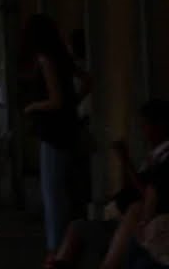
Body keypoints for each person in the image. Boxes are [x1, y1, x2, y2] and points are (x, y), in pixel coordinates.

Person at [49, 99, 169, 269]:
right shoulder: (154, 155)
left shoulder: (164, 159)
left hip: (138, 222)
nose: (143, 131)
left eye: (145, 125)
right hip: (122, 217)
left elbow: (150, 193)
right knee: (76, 227)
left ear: (161, 125)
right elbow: (134, 186)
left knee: (133, 212)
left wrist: (126, 162)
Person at [22, 14, 89, 261]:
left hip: (52, 132)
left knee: (53, 191)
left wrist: (33, 107)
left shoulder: (44, 60)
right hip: (67, 128)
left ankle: (55, 248)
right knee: (65, 189)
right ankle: (65, 245)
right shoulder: (62, 58)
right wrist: (75, 103)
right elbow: (87, 81)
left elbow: (55, 100)